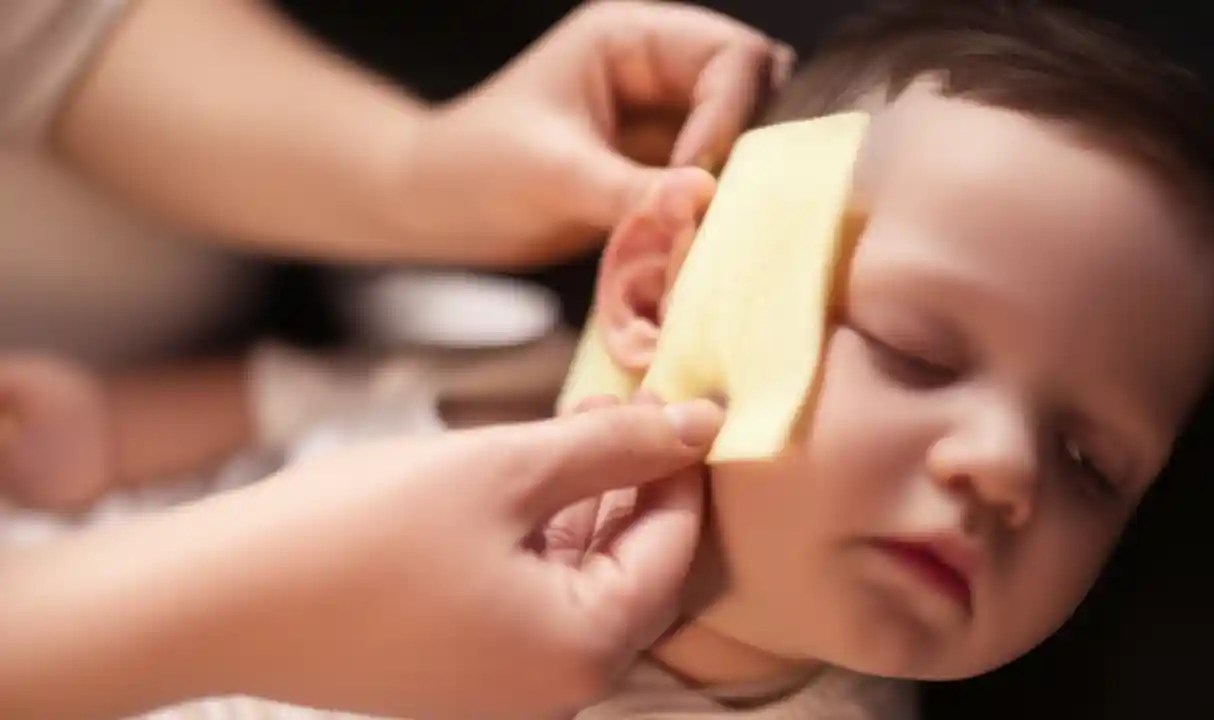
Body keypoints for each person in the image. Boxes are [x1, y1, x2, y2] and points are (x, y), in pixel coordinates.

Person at [0, 1, 795, 717]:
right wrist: (224, 578)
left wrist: (100, 437)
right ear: (650, 297)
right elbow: (284, 397)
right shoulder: (495, 375)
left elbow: (52, 32)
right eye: (875, 331)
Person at [542, 2, 1214, 716]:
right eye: (916, 354)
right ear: (655, 297)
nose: (1004, 462)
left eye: (1089, 464)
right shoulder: (486, 347)